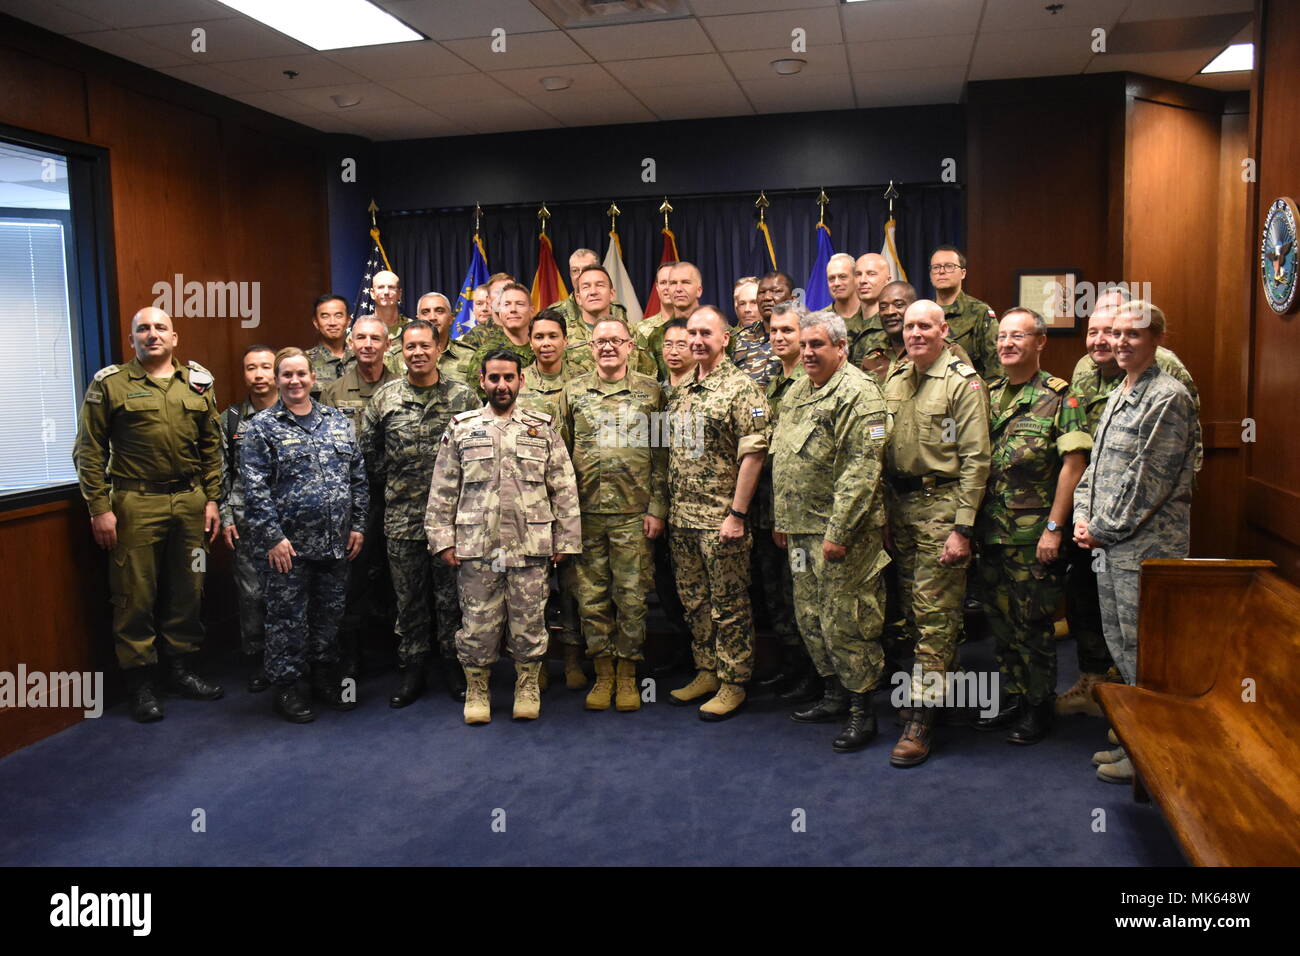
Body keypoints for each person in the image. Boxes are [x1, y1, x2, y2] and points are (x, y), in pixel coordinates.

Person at [73, 307, 225, 722]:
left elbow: (211, 446)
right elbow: (88, 449)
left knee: (188, 587)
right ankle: (140, 682)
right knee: (134, 593)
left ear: (174, 337)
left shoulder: (198, 382)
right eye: (144, 329)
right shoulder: (111, 384)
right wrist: (99, 508)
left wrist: (213, 499)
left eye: (161, 328)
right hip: (135, 503)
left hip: (191, 501)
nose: (152, 334)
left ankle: (180, 669)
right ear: (132, 339)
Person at [1073, 300, 1197, 784]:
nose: (1121, 342)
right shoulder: (1123, 390)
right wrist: (1085, 519)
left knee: (1148, 656)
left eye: (1133, 335)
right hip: (1109, 548)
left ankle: (1154, 757)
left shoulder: (1167, 397)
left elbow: (1150, 481)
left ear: (1156, 340)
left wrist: (1102, 527)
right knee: (1121, 651)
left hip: (1146, 551)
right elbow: (1096, 470)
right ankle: (1135, 739)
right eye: (1116, 333)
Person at [425, 349, 582, 724]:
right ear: (482, 381)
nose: (502, 385)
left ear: (520, 380)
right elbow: (443, 486)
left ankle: (526, 684)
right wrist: (442, 538)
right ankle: (477, 687)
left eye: (509, 377)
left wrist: (566, 538)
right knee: (477, 622)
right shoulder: (462, 427)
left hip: (530, 545)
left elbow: (563, 486)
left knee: (529, 620)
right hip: (478, 545)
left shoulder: (541, 428)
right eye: (494, 378)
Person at [772, 309, 891, 753]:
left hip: (842, 536)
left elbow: (862, 472)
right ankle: (834, 694)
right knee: (810, 617)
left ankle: (863, 711)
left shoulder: (860, 395)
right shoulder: (799, 390)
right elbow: (785, 457)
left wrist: (838, 534)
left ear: (841, 348)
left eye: (817, 345)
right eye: (804, 345)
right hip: (801, 532)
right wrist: (784, 523)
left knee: (848, 622)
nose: (807, 352)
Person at [971, 308, 1091, 745]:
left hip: (1033, 535)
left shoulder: (1061, 397)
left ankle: (1040, 706)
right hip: (990, 532)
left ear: (1040, 342)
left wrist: (1055, 529)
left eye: (1017, 336)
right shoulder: (986, 393)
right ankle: (1016, 696)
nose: (1006, 344)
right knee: (1000, 622)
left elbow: (1074, 465)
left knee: (1033, 625)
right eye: (1002, 337)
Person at [882, 300, 990, 766]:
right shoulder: (896, 378)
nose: (916, 333)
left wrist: (963, 528)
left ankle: (921, 720)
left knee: (935, 616)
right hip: (902, 509)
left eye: (925, 325)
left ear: (944, 329)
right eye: (909, 326)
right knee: (917, 612)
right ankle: (948, 694)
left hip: (943, 509)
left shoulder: (962, 383)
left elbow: (976, 460)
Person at [240, 348, 369, 723]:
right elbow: (255, 489)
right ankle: (288, 687)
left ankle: (324, 678)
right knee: (286, 619)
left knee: (329, 615)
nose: (294, 381)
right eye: (287, 375)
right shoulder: (261, 427)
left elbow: (357, 478)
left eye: (301, 374)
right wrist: (272, 538)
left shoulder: (336, 421)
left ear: (313, 379)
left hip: (334, 543)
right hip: (288, 547)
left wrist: (358, 524)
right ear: (279, 381)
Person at [360, 320, 478, 709]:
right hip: (402, 518)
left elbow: (479, 455)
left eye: (425, 346)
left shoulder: (463, 397)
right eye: (410, 347)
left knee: (451, 599)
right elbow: (368, 455)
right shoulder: (385, 398)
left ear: (438, 348)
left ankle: (452, 665)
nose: (418, 353)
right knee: (408, 599)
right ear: (401, 350)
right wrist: (398, 482)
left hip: (453, 521)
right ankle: (411, 667)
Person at [557, 318, 668, 712]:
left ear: (629, 346)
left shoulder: (651, 392)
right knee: (592, 598)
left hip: (633, 515)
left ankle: (628, 674)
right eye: (600, 341)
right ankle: (602, 672)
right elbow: (560, 457)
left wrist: (657, 507)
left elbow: (662, 455)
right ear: (590, 347)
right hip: (586, 514)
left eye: (615, 341)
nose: (608, 347)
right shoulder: (572, 392)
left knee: (633, 598)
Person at [666, 306, 771, 720]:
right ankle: (707, 669)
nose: (697, 340)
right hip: (682, 518)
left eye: (706, 333)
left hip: (720, 518)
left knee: (728, 605)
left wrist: (737, 514)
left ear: (725, 338)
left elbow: (754, 456)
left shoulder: (742, 388)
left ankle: (733, 681)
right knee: (694, 602)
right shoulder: (681, 390)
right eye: (691, 333)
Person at [321, 315, 398, 683]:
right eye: (361, 338)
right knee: (352, 577)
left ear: (387, 345)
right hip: (353, 500)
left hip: (399, 496)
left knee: (399, 575)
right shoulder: (333, 392)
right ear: (351, 344)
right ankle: (350, 655)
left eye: (375, 338)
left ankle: (405, 650)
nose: (367, 344)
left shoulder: (402, 387)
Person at [519, 310, 591, 691]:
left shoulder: (582, 381)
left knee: (574, 585)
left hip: (572, 496)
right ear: (530, 341)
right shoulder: (518, 383)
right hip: (530, 501)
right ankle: (540, 660)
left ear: (565, 340)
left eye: (552, 336)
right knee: (534, 586)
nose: (545, 343)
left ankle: (575, 656)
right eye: (539, 337)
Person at [750, 301, 807, 697]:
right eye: (773, 331)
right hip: (767, 508)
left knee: (801, 594)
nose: (779, 337)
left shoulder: (812, 381)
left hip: (801, 513)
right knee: (776, 593)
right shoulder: (771, 382)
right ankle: (792, 665)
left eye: (788, 330)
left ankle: (813, 673)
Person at [220, 344, 278, 693]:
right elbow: (223, 473)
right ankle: (258, 657)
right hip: (247, 519)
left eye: (265, 367)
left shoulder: (295, 413)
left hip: (290, 517)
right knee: (252, 594)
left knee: (289, 591)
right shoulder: (230, 419)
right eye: (250, 368)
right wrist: (226, 515)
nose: (258, 375)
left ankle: (292, 654)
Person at [649, 317, 694, 676]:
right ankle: (684, 647)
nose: (674, 350)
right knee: (668, 584)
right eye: (669, 344)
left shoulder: (700, 390)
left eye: (682, 343)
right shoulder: (656, 392)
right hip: (663, 500)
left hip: (700, 506)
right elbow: (655, 450)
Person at [929, 245, 1001, 382]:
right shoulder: (923, 313)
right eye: (936, 267)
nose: (941, 272)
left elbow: (995, 367)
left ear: (963, 273)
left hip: (968, 394)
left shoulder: (980, 312)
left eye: (949, 266)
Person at [460, 281, 536, 391]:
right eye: (507, 304)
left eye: (520, 304)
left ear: (531, 311)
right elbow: (476, 401)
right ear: (499, 311)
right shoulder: (486, 354)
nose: (513, 309)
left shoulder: (542, 348)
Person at [637, 261, 702, 380]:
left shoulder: (718, 330)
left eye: (685, 282)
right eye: (672, 283)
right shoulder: (656, 335)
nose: (678, 289)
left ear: (699, 290)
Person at [549, 248, 629, 335]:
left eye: (586, 269)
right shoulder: (555, 312)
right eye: (575, 270)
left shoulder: (617, 309)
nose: (580, 275)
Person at [731, 272, 788, 387]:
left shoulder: (794, 335)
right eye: (742, 303)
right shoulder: (735, 339)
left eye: (753, 302)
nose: (747, 309)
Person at [849, 253, 893, 371]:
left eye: (871, 274)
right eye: (858, 274)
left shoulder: (895, 326)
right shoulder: (844, 326)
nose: (863, 280)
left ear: (887, 280)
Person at [306, 294, 353, 397]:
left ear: (348, 321)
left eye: (338, 316)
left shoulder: (362, 359)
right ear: (316, 323)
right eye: (325, 316)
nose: (332, 322)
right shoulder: (304, 362)